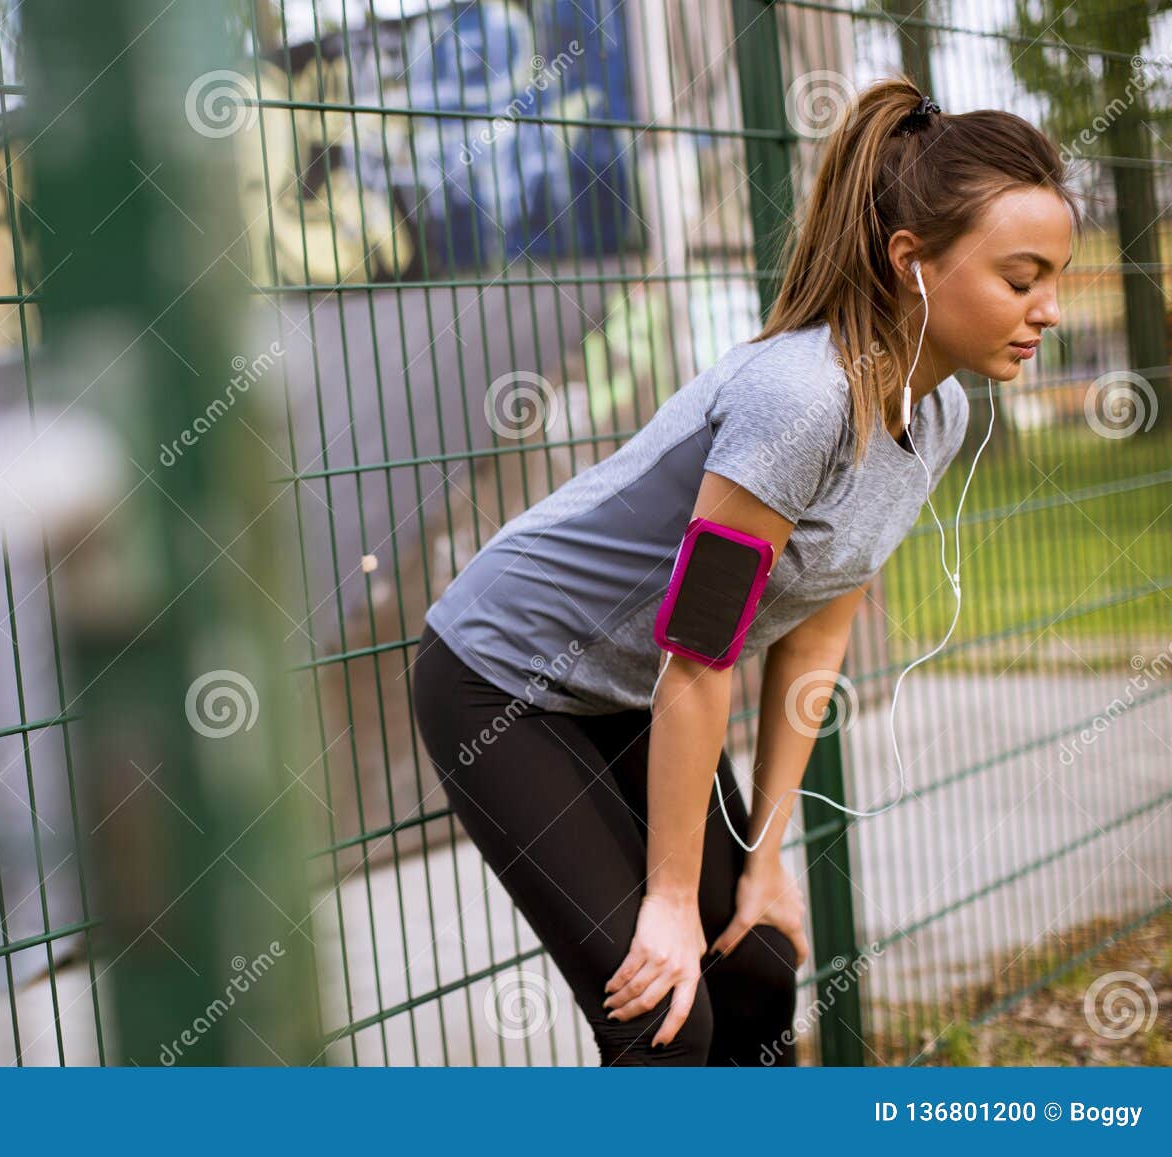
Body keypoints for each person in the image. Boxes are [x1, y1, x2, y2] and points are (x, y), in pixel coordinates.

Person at [411, 77, 1080, 1066]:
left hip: (635, 685)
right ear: (912, 262)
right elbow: (698, 661)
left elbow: (815, 634)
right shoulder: (799, 400)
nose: (1049, 309)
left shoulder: (934, 414)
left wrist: (762, 864)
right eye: (1021, 278)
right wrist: (672, 902)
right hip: (503, 676)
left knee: (757, 968)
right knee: (663, 1019)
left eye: (1053, 278)